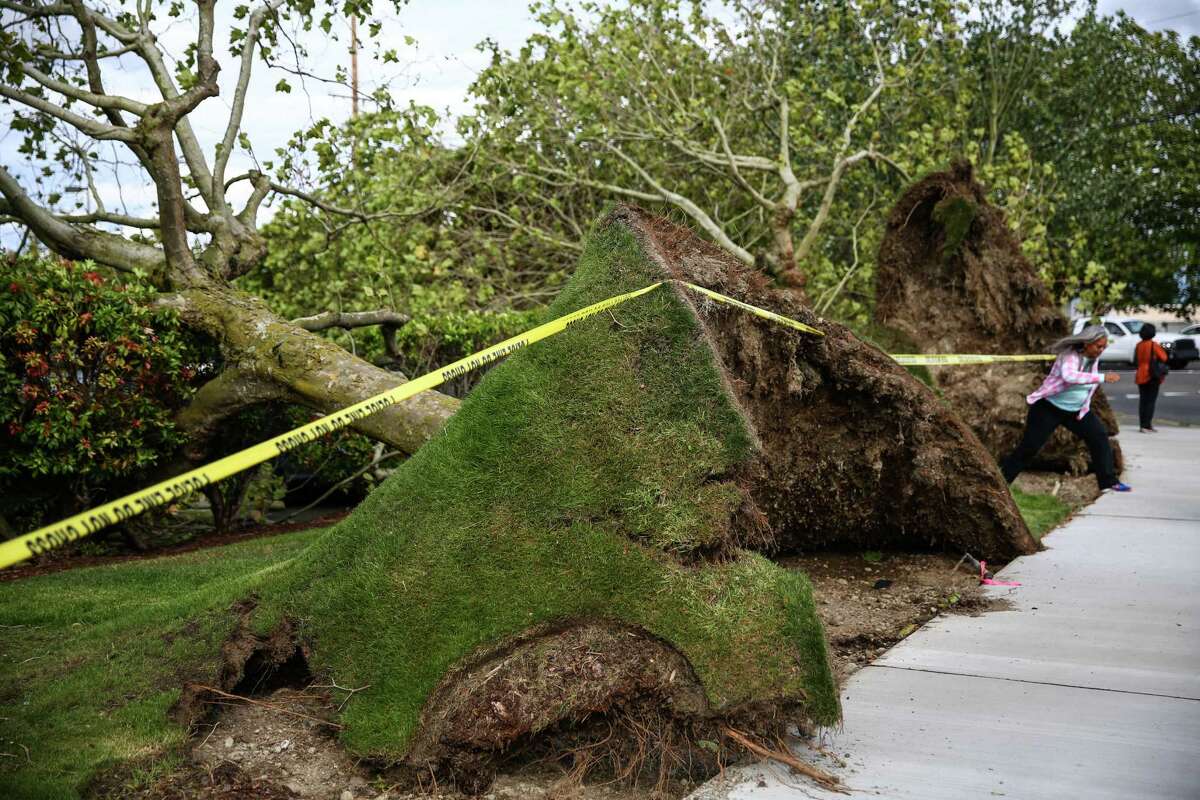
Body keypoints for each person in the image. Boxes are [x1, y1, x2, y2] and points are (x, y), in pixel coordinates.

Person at [1000, 325, 1131, 492]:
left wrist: (1084, 406)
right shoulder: (1069, 355)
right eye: (1099, 346)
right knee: (1029, 448)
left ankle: (1108, 482)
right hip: (1049, 408)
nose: (1101, 350)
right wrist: (1102, 377)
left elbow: (1087, 386)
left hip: (1076, 411)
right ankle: (1002, 483)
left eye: (1104, 347)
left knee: (1099, 436)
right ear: (1086, 343)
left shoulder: (1093, 358)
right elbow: (1069, 376)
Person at [1134, 323, 1168, 433]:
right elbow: (1164, 357)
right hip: (1151, 374)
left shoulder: (1139, 345)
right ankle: (1147, 425)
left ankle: (1142, 425)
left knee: (1143, 401)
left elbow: (1136, 360)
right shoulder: (1154, 345)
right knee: (1150, 401)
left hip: (1140, 373)